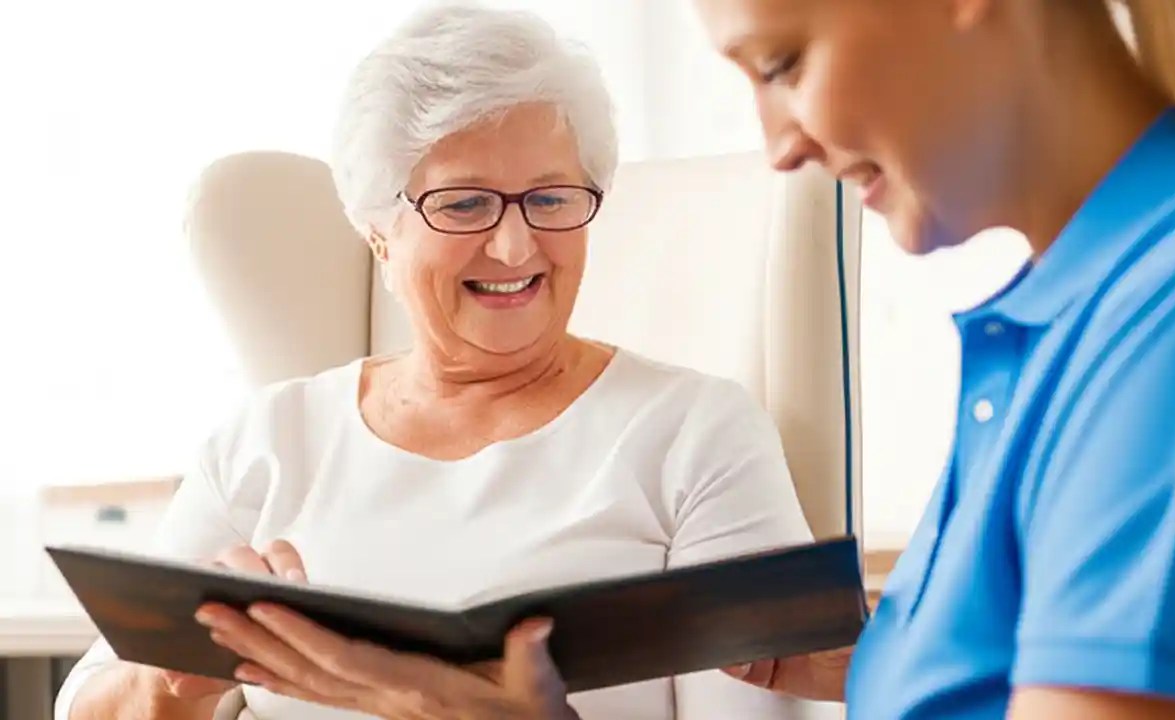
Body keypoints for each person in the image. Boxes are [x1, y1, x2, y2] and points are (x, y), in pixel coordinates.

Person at [147, 0, 1175, 718]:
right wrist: (901, 652)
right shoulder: (1078, 321)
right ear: (377, 226)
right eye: (462, 202)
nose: (775, 145)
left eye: (781, 61)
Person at [53, 5, 824, 720]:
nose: (517, 247)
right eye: (463, 204)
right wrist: (173, 681)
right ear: (380, 233)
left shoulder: (698, 436)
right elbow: (87, 705)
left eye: (551, 199)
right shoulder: (269, 439)